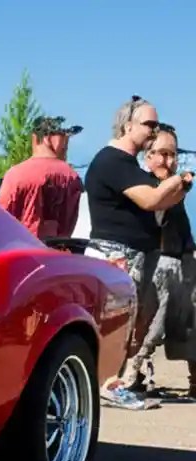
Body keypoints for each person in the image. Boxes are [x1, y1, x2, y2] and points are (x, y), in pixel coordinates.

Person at [84, 96, 193, 409]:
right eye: (148, 124)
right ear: (127, 125)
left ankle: (112, 384)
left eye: (156, 124)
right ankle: (106, 385)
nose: (153, 129)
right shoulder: (112, 161)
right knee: (115, 326)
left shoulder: (126, 164)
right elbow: (152, 199)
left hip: (134, 255)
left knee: (129, 327)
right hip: (117, 255)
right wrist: (182, 182)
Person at [136, 124, 196, 397]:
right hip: (149, 264)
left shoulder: (176, 188)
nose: (168, 161)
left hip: (179, 260)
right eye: (161, 154)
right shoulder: (140, 186)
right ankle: (135, 373)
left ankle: (195, 381)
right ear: (147, 156)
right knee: (147, 323)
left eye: (172, 155)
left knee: (189, 319)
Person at [0, 115, 84, 239]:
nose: (66, 145)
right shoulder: (72, 177)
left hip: (22, 251)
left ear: (34, 137)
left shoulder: (17, 174)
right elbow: (69, 222)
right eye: (63, 138)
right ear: (47, 139)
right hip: (57, 252)